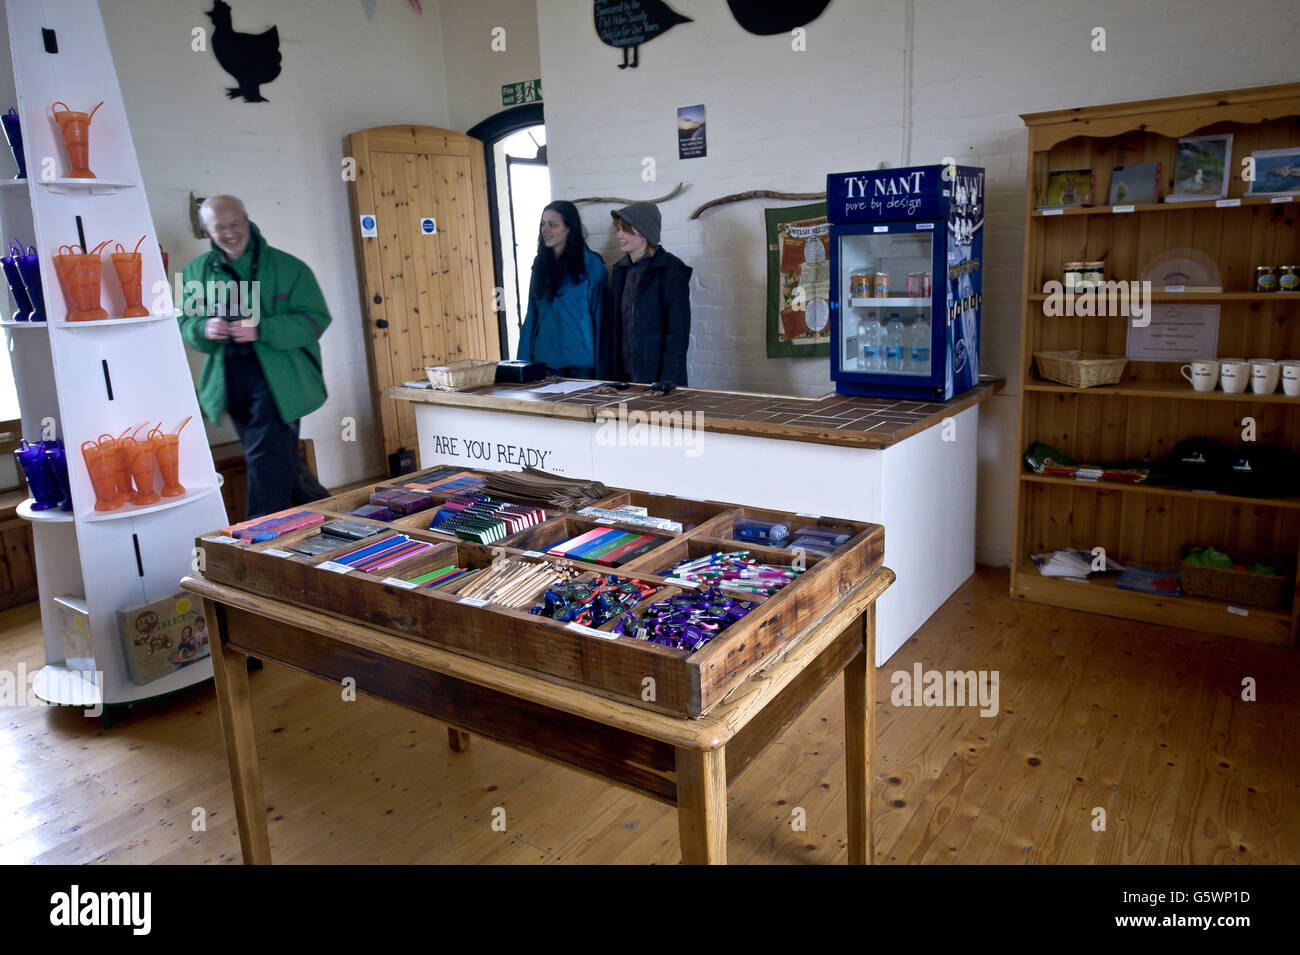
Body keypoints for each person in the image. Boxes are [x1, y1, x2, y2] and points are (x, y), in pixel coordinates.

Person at [179, 195, 332, 519]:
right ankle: (335, 517)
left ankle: (259, 539)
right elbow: (184, 323)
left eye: (236, 223)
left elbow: (317, 319)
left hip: (282, 382)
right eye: (220, 227)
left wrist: (262, 329)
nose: (231, 232)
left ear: (247, 219)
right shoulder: (194, 273)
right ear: (207, 230)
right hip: (230, 382)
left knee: (265, 460)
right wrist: (204, 328)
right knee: (276, 459)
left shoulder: (289, 267)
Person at [599, 202, 692, 386]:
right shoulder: (619, 271)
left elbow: (677, 333)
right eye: (618, 229)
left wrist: (668, 381)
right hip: (622, 377)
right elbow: (615, 328)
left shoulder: (670, 270)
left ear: (644, 233)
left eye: (625, 230)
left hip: (657, 380)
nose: (619, 235)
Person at [516, 200, 609, 377]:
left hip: (581, 365)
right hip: (544, 364)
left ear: (569, 228)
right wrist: (523, 364)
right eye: (543, 224)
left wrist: (603, 376)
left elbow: (602, 322)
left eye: (553, 225)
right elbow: (532, 315)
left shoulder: (592, 265)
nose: (545, 230)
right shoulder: (539, 266)